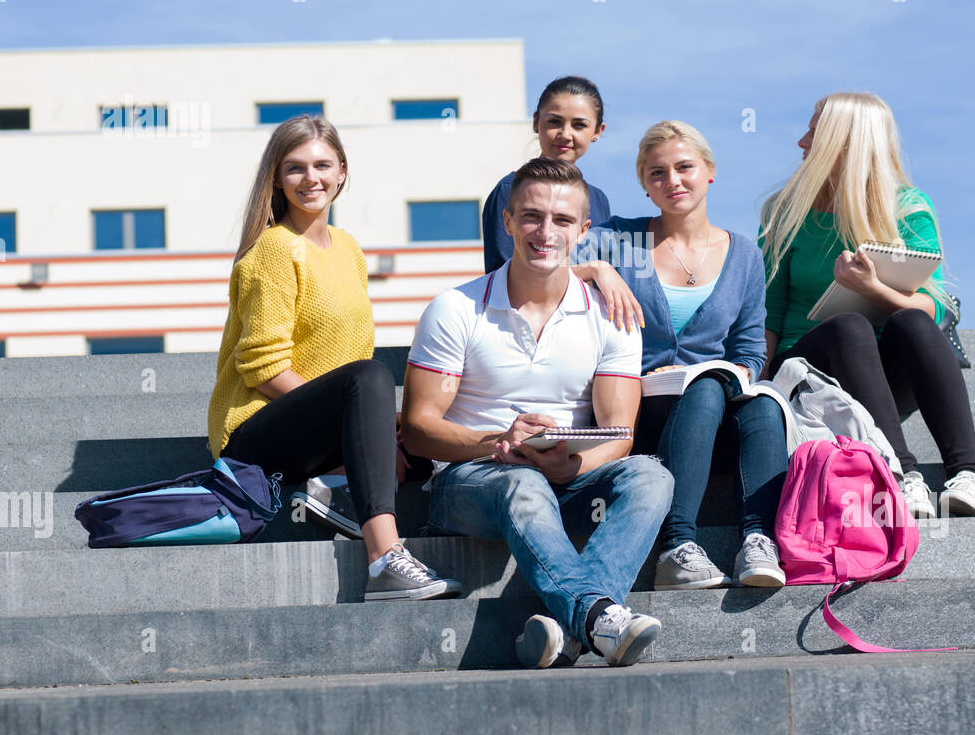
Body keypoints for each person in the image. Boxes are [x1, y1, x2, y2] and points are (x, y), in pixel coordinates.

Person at [402, 157, 673, 668]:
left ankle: (574, 624)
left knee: (651, 476)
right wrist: (497, 443)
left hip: (565, 477)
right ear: (507, 221)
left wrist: (573, 465)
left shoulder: (611, 317)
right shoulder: (456, 308)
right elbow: (417, 430)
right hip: (471, 481)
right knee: (521, 484)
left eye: (562, 220)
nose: (545, 231)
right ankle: (598, 615)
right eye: (530, 216)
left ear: (584, 231)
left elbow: (620, 435)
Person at [206, 115, 460, 600]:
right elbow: (262, 368)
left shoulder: (348, 250)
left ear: (342, 171)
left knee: (421, 439)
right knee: (370, 379)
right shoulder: (275, 249)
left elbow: (350, 356)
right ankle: (385, 559)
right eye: (295, 168)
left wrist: (381, 424)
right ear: (277, 179)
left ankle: (334, 484)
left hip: (320, 427)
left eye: (323, 165)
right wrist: (355, 417)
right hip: (257, 434)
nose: (311, 178)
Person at [574, 121, 788, 589]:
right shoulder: (622, 243)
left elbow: (751, 349)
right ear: (646, 187)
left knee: (765, 404)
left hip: (711, 406)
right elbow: (538, 268)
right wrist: (595, 270)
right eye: (657, 173)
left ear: (709, 172)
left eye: (684, 167)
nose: (672, 181)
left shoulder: (745, 255)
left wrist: (736, 375)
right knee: (705, 386)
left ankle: (758, 539)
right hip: (643, 407)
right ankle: (676, 545)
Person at [759, 92, 975, 519]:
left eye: (813, 130)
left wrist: (870, 287)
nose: (801, 142)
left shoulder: (907, 207)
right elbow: (768, 311)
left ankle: (968, 474)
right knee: (849, 325)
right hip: (812, 370)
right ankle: (903, 474)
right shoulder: (786, 211)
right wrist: (759, 389)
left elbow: (931, 308)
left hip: (885, 374)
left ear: (841, 142)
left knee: (912, 323)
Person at [481, 76, 612, 273]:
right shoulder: (510, 190)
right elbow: (510, 277)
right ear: (536, 122)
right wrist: (594, 270)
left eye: (579, 125)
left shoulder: (598, 200)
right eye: (554, 121)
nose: (565, 134)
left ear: (597, 131)